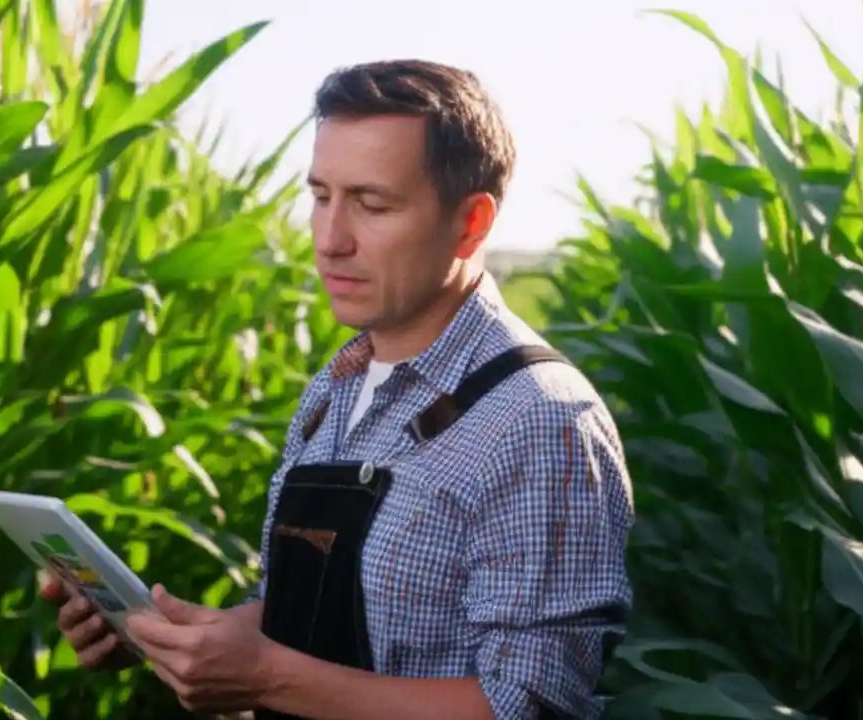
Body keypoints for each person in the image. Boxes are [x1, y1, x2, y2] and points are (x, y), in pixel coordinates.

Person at [40, 58, 634, 719]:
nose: (329, 239)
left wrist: (267, 678)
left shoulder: (537, 420)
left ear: (471, 223)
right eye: (321, 197)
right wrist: (173, 642)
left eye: (372, 204)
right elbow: (330, 625)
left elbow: (528, 706)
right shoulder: (335, 391)